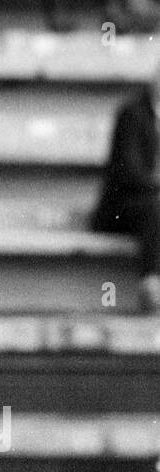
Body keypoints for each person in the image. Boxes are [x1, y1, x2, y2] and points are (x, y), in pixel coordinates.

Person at [93, 59, 160, 312]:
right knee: (156, 207)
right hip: (123, 206)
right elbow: (128, 172)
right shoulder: (132, 114)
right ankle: (151, 283)